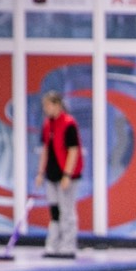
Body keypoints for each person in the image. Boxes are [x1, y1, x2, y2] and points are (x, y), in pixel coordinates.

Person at [35, 89, 82, 259]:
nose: (46, 109)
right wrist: (40, 172)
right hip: (52, 174)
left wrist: (67, 174)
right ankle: (52, 245)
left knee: (66, 210)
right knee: (54, 211)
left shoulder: (69, 124)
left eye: (48, 105)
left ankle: (68, 246)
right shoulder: (48, 124)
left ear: (57, 105)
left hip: (66, 175)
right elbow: (46, 149)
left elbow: (73, 150)